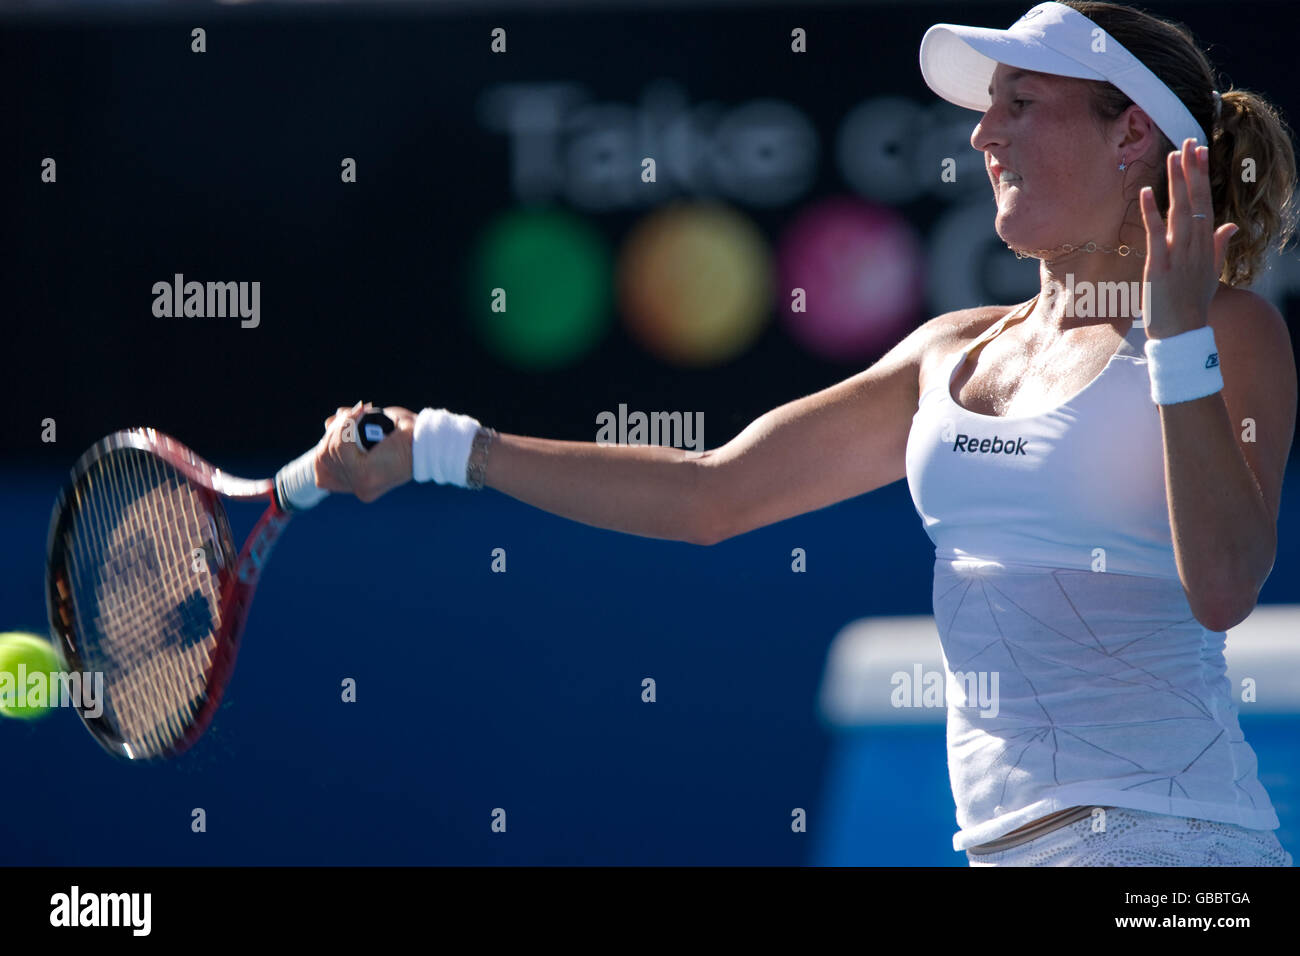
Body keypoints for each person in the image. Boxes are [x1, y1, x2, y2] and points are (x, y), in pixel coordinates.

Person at [312, 0, 1297, 866]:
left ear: (1128, 133)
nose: (981, 135)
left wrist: (1172, 340)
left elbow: (1220, 586)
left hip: (1175, 857)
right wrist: (441, 445)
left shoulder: (1224, 329)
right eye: (987, 108)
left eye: (1018, 105)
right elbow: (712, 493)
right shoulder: (945, 352)